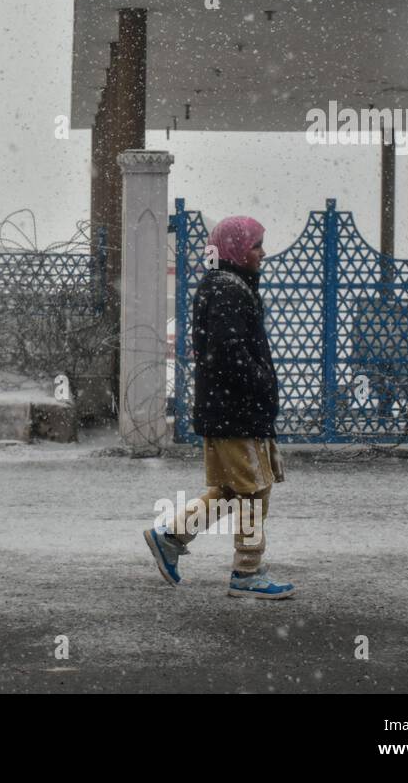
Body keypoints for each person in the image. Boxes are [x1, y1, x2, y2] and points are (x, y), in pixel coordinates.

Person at [144, 215, 294, 599]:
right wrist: (261, 383)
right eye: (256, 246)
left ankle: (172, 536)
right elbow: (229, 354)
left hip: (228, 410)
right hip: (236, 412)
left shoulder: (226, 286)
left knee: (233, 489)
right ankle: (247, 572)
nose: (263, 253)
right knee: (253, 491)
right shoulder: (228, 290)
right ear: (237, 249)